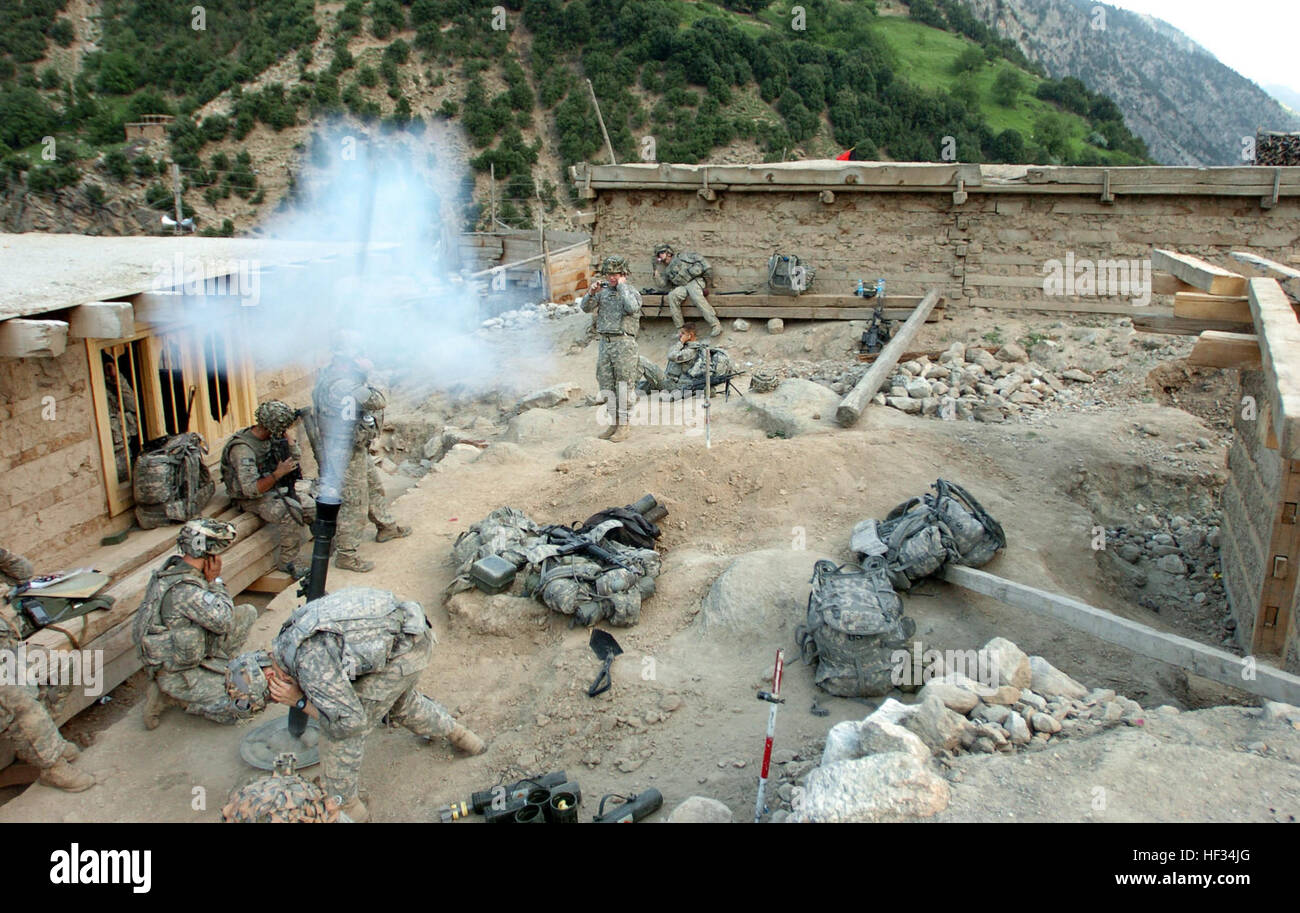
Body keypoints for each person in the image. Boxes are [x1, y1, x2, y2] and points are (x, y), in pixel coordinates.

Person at [225, 587, 486, 824]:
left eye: (270, 697)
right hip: (408, 630)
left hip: (406, 649)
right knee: (399, 705)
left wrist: (299, 701)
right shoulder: (285, 645)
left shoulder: (309, 662)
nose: (274, 700)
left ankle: (348, 808)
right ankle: (464, 738)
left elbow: (350, 724)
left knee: (337, 737)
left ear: (270, 677)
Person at [133, 519, 258, 729]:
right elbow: (224, 622)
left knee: (246, 613)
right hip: (180, 672)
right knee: (243, 705)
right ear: (209, 555)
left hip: (190, 650)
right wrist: (215, 581)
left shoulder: (174, 570)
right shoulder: (186, 590)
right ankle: (169, 695)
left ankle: (221, 668)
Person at [1, 545, 96, 792]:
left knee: (65, 666)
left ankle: (44, 743)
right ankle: (52, 767)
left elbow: (23, 574)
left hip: (9, 651)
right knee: (17, 697)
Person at [311, 335, 409, 573]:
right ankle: (346, 553)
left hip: (352, 445)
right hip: (343, 449)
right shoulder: (342, 383)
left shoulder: (332, 376)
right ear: (348, 360)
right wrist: (370, 373)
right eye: (358, 357)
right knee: (355, 501)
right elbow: (378, 400)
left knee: (373, 486)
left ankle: (386, 526)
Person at [220, 400, 312, 578]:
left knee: (314, 505)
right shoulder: (242, 449)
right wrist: (278, 474)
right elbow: (250, 489)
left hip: (274, 489)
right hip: (251, 498)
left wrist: (290, 441)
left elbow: (296, 458)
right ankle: (288, 562)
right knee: (291, 511)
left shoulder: (272, 437)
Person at [580, 255, 643, 444]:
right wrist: (591, 293)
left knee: (624, 384)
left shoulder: (631, 292)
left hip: (624, 343)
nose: (611, 278)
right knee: (606, 383)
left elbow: (632, 307)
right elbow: (585, 308)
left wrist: (622, 286)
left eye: (615, 274)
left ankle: (624, 425)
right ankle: (614, 422)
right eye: (609, 274)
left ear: (623, 274)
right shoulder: (603, 292)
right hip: (605, 342)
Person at [653, 244, 721, 337]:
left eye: (661, 253)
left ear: (668, 252)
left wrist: (710, 280)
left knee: (696, 296)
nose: (659, 256)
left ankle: (715, 324)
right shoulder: (668, 270)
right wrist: (656, 272)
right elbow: (662, 284)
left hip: (694, 281)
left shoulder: (682, 257)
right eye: (658, 254)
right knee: (672, 296)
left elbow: (701, 261)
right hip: (683, 286)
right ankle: (681, 329)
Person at [102, 353, 140, 483]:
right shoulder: (97, 392)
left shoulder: (111, 386)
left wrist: (116, 377)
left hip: (123, 446)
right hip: (110, 452)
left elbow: (133, 405)